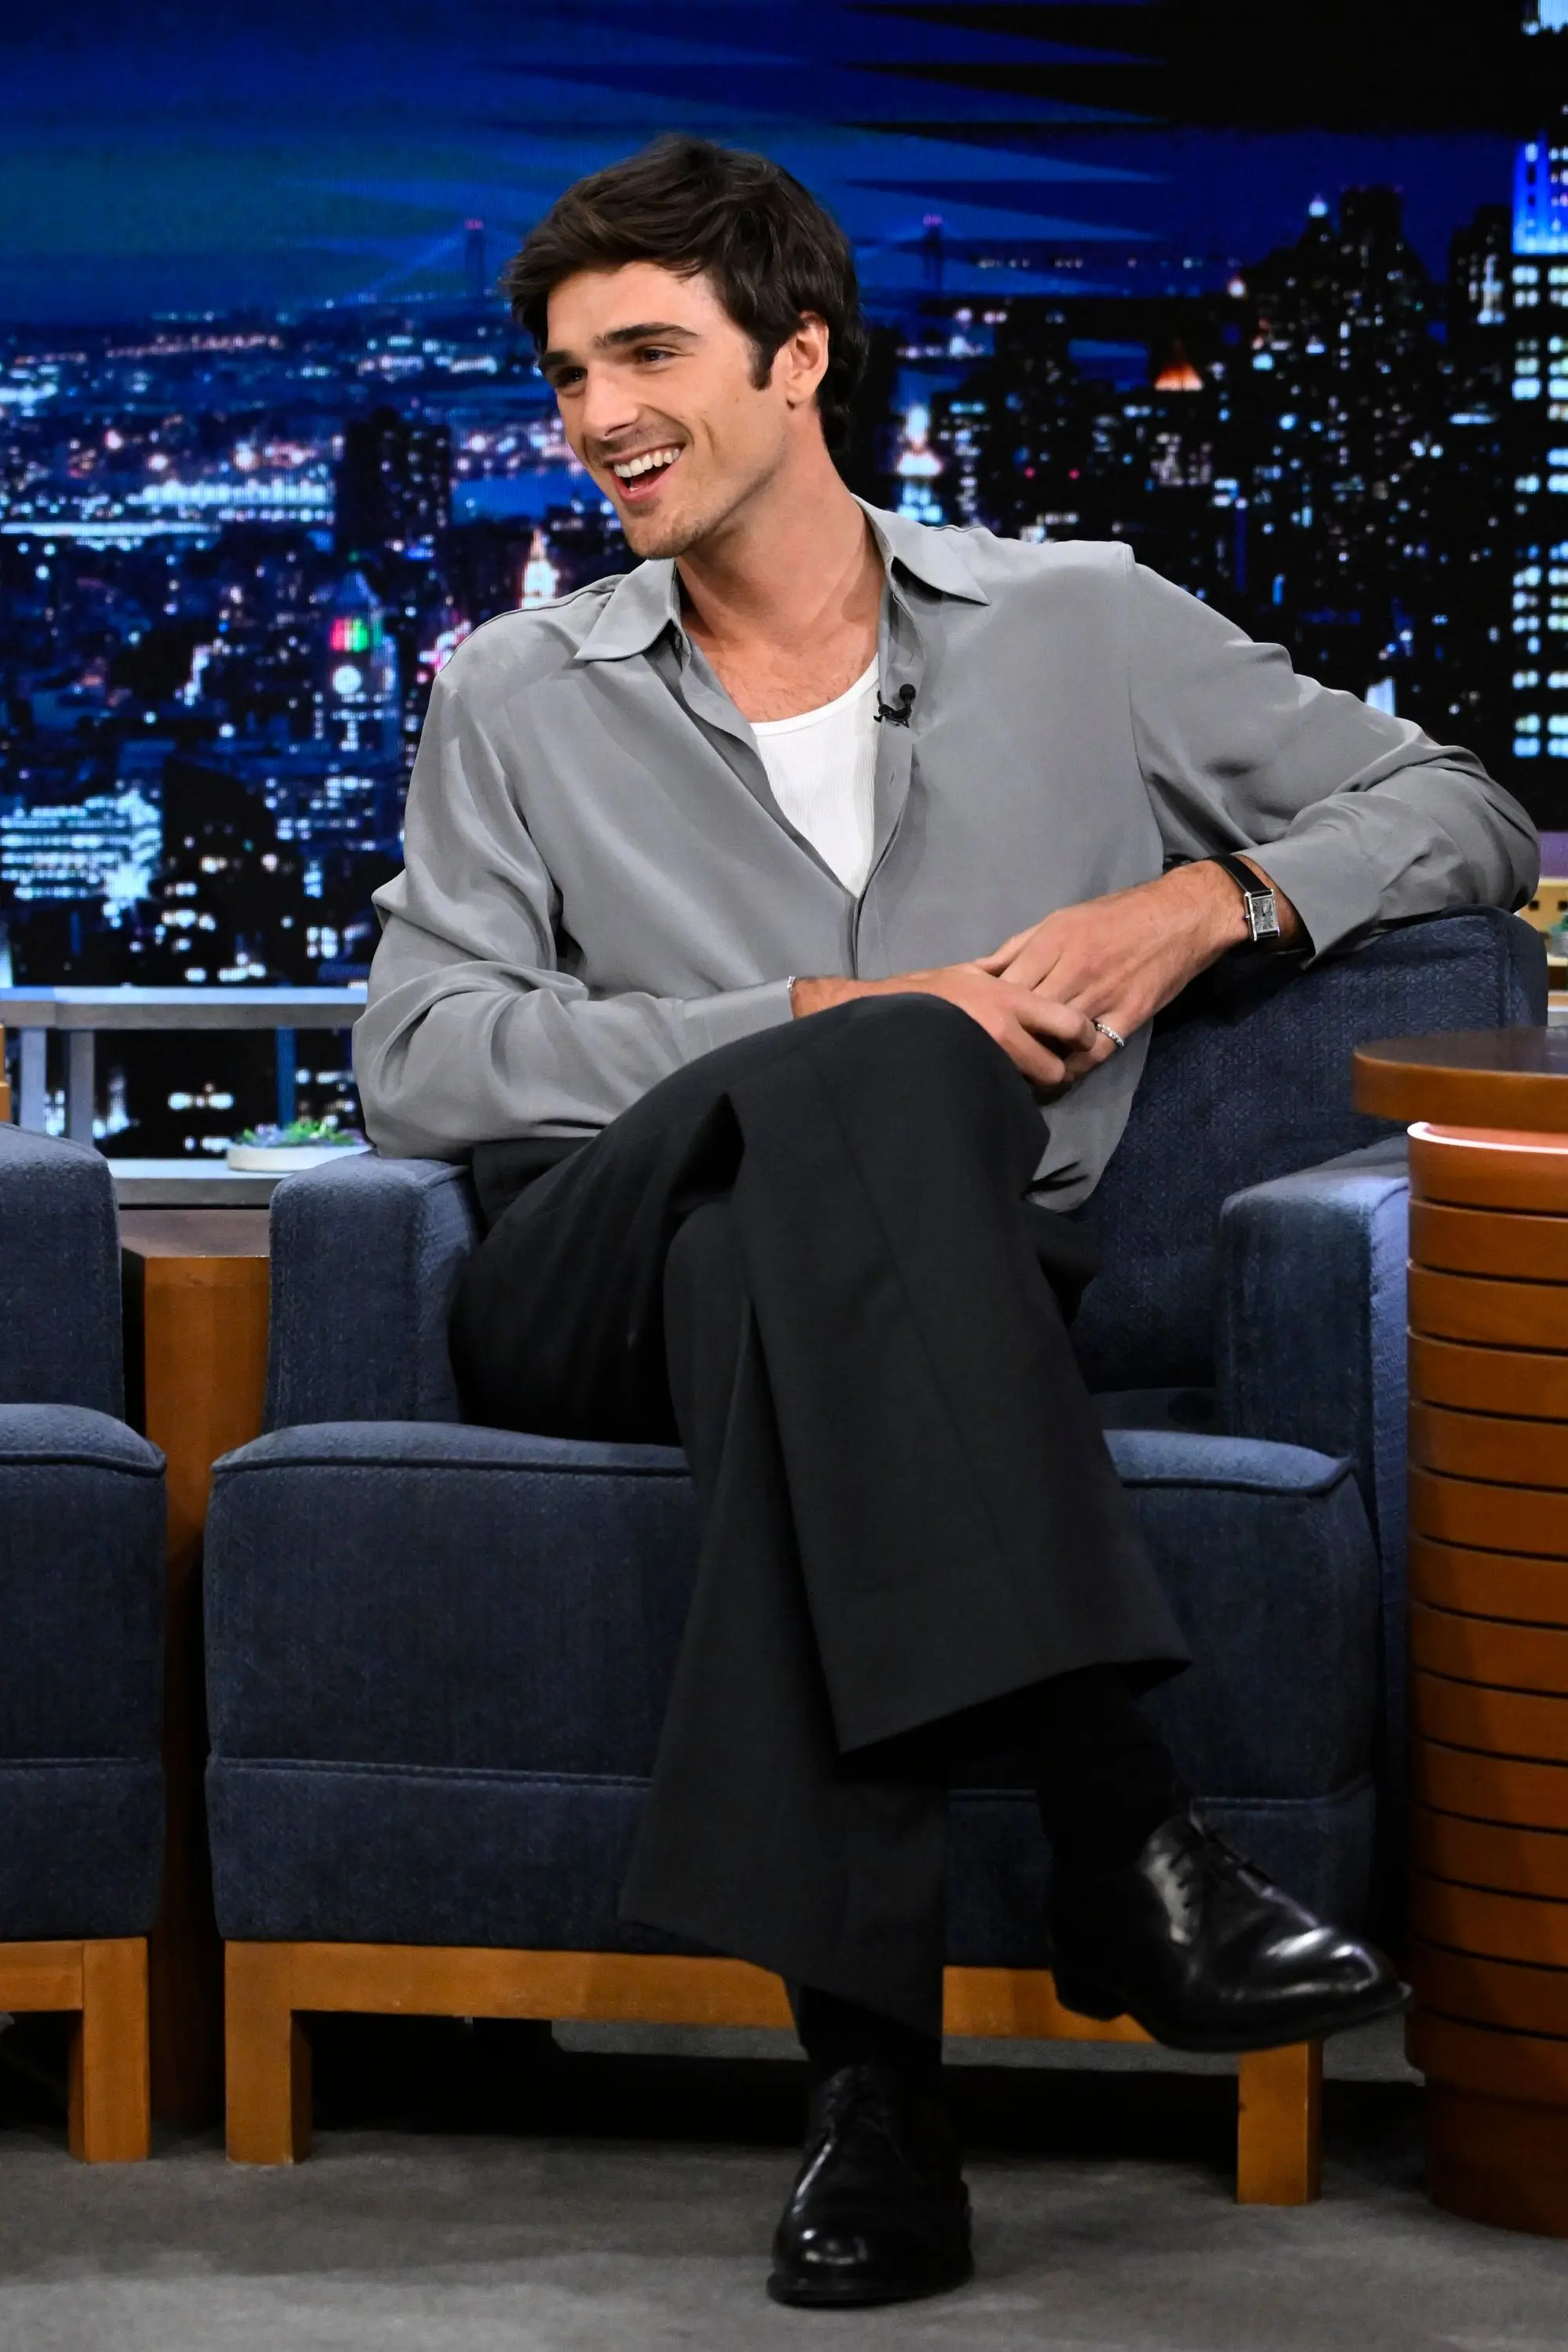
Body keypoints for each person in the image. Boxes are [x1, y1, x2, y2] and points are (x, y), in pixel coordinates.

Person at [356, 135, 1537, 2309]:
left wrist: (1206, 903)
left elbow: (1460, 809)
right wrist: (823, 1022)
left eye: (648, 355)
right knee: (886, 1068)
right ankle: (1121, 1823)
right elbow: (421, 1057)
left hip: (874, 1286)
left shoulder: (1077, 624)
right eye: (568, 375)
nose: (596, 415)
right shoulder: (517, 689)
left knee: (774, 1267)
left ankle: (878, 2100)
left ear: (799, 356)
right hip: (578, 1280)